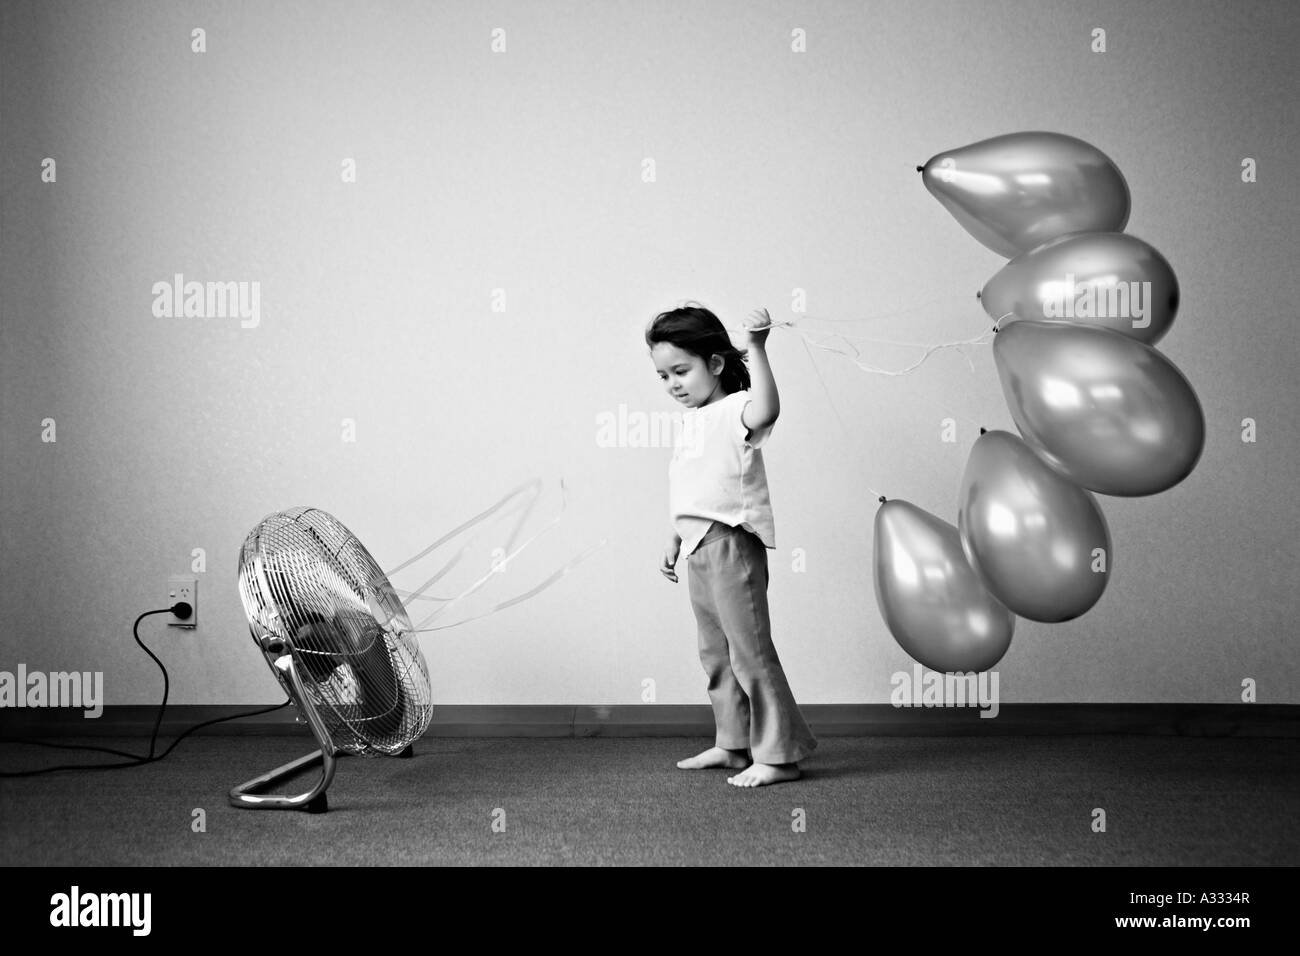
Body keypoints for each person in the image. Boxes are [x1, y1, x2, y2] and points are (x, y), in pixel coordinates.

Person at [647, 302, 817, 787]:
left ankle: (779, 755)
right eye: (663, 376)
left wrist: (757, 347)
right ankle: (734, 744)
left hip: (731, 544)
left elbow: (768, 410)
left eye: (681, 371)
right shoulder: (693, 421)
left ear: (716, 363)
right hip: (699, 548)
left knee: (749, 651)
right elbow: (696, 487)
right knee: (715, 653)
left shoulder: (735, 407)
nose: (672, 384)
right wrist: (675, 535)